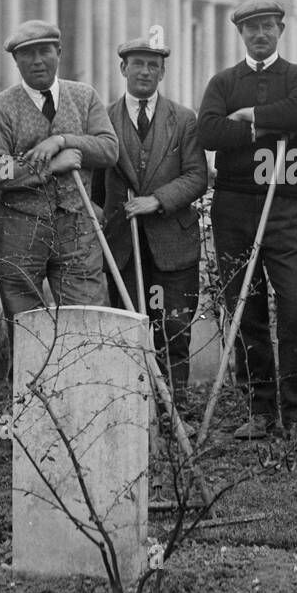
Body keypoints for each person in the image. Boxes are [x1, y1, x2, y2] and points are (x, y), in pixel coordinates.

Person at [196, 0, 297, 438]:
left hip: (284, 203)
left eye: (268, 26)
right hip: (233, 206)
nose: (261, 34)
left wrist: (247, 118)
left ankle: (296, 408)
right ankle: (260, 408)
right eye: (252, 28)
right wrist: (263, 126)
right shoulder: (224, 81)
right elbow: (208, 130)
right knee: (244, 308)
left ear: (281, 29)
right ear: (241, 34)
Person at [92, 37, 208, 399]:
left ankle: (174, 405)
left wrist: (156, 201)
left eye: (152, 65)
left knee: (173, 326)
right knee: (124, 325)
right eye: (137, 63)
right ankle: (127, 403)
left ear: (162, 72)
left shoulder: (184, 119)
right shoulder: (103, 118)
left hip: (172, 243)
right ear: (123, 68)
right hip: (122, 245)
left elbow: (197, 177)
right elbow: (95, 180)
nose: (145, 71)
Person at [0, 20, 118, 320]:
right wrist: (51, 166)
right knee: (27, 323)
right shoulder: (0, 108)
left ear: (59, 52)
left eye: (44, 51)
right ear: (16, 60)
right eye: (27, 54)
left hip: (77, 226)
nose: (37, 60)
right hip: (19, 229)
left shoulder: (84, 97)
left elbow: (109, 148)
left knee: (85, 317)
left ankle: (80, 371)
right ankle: (29, 370)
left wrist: (63, 140)